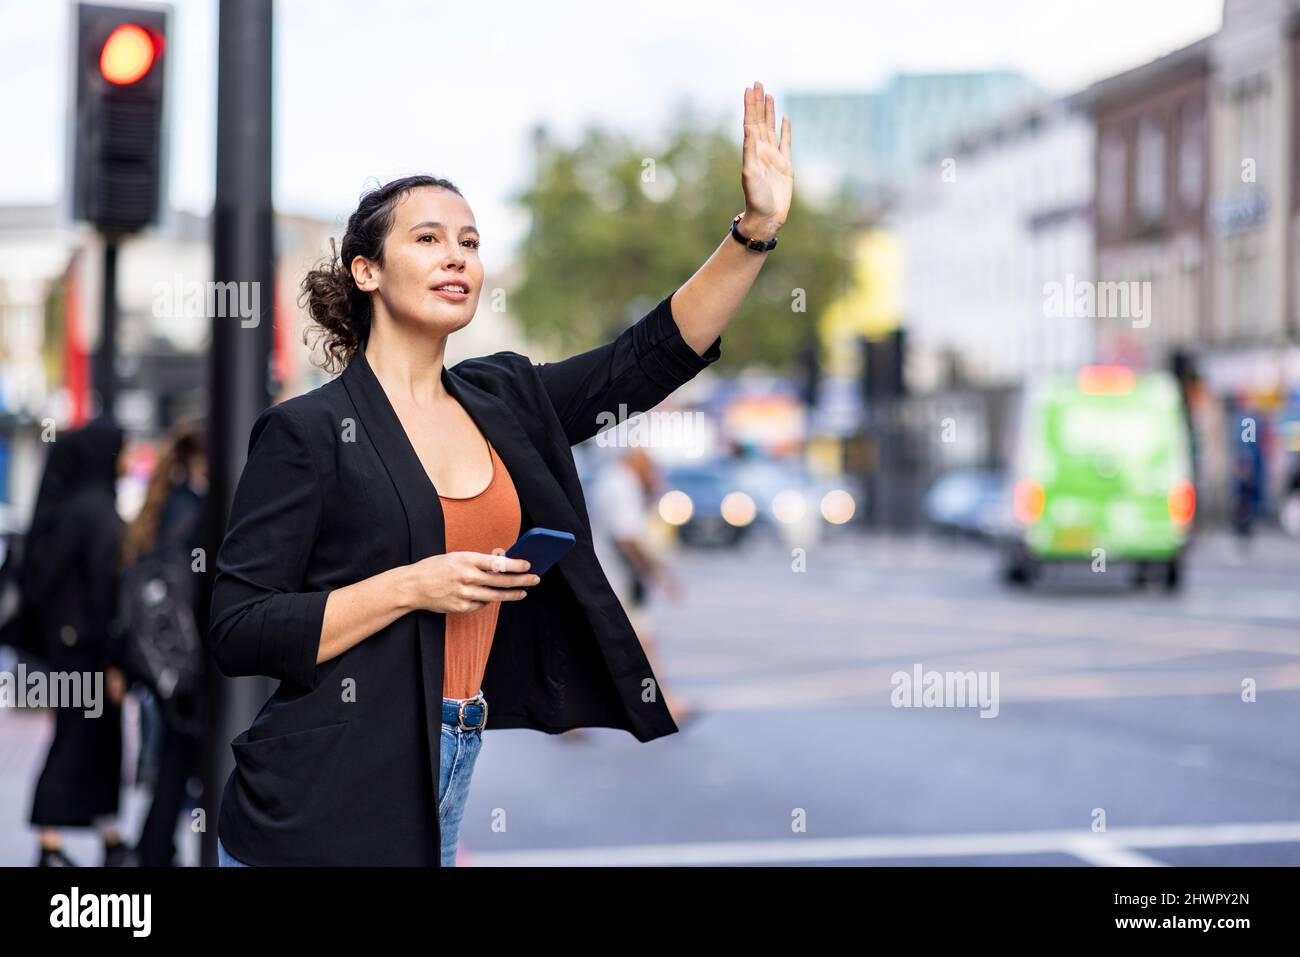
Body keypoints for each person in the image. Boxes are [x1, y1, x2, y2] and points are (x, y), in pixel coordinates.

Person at [210, 81, 791, 866]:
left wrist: (752, 231)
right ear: (367, 271)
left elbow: (648, 357)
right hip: (318, 796)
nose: (456, 255)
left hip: (448, 759)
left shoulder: (506, 399)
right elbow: (238, 627)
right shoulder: (308, 432)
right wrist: (415, 584)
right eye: (428, 239)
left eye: (471, 241)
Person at [23, 417, 134, 867]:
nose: (128, 461)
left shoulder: (68, 508)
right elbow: (104, 592)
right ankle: (51, 844)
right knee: (77, 740)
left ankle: (105, 834)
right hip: (86, 653)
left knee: (91, 740)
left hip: (66, 647)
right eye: (123, 451)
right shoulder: (95, 512)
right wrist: (114, 659)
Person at [121, 418, 210, 866]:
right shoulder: (194, 509)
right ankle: (156, 848)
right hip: (188, 660)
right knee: (184, 761)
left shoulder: (169, 503)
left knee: (174, 759)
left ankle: (156, 847)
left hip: (165, 662)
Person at [589, 447, 694, 728]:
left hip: (611, 577)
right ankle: (667, 704)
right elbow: (628, 537)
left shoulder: (612, 479)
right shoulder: (621, 484)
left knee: (615, 643)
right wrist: (657, 573)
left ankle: (666, 703)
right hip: (615, 578)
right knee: (642, 643)